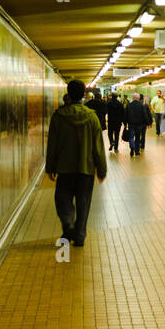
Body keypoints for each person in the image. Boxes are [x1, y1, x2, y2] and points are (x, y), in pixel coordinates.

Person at [45, 79, 107, 246]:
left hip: (64, 168)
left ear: (68, 93)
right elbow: (98, 147)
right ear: (83, 95)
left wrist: (50, 166)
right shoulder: (92, 118)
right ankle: (79, 236)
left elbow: (52, 144)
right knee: (83, 203)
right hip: (85, 169)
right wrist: (101, 169)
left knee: (62, 199)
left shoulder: (58, 117)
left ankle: (68, 222)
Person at [125, 91, 150, 156]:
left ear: (133, 98)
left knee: (131, 137)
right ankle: (137, 151)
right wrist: (147, 123)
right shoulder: (141, 105)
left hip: (131, 124)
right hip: (139, 125)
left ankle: (132, 147)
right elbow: (145, 115)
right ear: (138, 98)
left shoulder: (129, 105)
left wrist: (125, 123)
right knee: (137, 138)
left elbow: (126, 115)